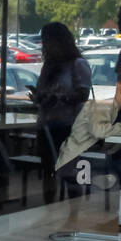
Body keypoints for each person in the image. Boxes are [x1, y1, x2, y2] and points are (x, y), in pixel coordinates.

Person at [54, 60, 121, 191]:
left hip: (101, 156)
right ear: (119, 85)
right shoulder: (101, 106)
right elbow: (98, 131)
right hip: (78, 160)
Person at [29, 22, 91, 203]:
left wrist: (61, 97)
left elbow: (83, 94)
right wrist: (40, 97)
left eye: (49, 41)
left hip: (68, 125)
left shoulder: (77, 64)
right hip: (46, 123)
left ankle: (73, 214)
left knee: (70, 171)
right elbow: (43, 90)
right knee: (47, 170)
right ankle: (48, 207)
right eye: (44, 41)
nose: (46, 45)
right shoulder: (49, 65)